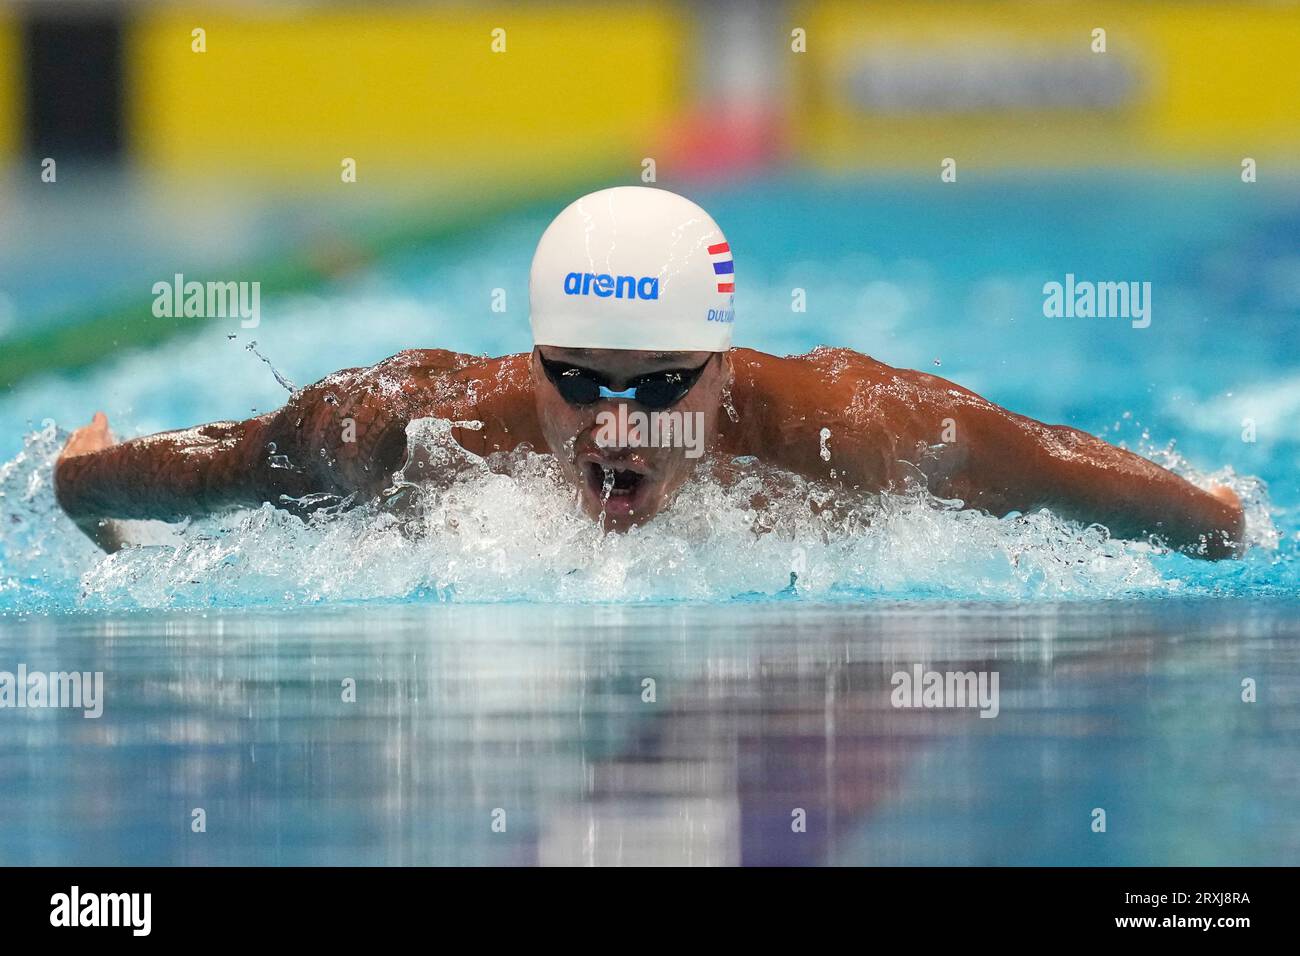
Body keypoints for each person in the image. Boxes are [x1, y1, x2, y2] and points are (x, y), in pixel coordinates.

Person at [55, 186, 1245, 558]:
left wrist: (1217, 522)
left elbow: (1107, 487)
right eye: (579, 379)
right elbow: (229, 464)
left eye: (662, 385)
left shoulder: (857, 429)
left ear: (722, 368)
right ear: (529, 362)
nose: (617, 428)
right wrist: (86, 484)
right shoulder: (410, 428)